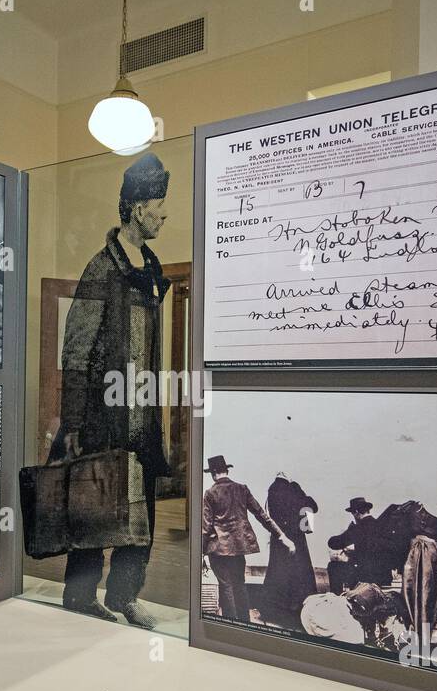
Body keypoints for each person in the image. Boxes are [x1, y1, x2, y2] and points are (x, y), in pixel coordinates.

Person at [50, 154, 173, 627]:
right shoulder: (102, 267)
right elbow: (76, 351)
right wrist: (75, 422)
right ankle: (80, 597)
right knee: (94, 507)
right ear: (138, 206)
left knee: (139, 512)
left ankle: (125, 595)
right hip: (104, 415)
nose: (164, 214)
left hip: (141, 414)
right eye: (160, 205)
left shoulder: (151, 265)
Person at [200, 456, 293, 623]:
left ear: (213, 474)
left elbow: (205, 527)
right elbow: (262, 515)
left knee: (226, 586)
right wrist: (282, 536)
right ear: (226, 471)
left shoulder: (210, 494)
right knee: (239, 584)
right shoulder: (242, 489)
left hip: (218, 549)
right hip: (239, 547)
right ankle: (244, 623)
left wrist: (200, 553)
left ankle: (229, 625)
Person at [262, 473, 320, 617]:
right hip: (296, 537)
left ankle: (274, 611)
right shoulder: (293, 489)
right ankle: (300, 611)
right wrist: (297, 488)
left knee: (278, 571)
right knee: (300, 573)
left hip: (279, 537)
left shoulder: (271, 490)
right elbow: (313, 506)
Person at [326, 497, 383, 592]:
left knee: (333, 566)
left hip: (364, 574)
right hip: (381, 574)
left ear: (356, 512)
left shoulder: (358, 528)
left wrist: (348, 531)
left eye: (352, 513)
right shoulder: (379, 524)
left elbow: (333, 543)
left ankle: (336, 598)